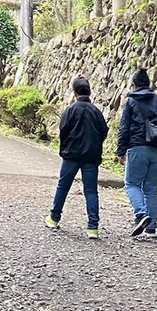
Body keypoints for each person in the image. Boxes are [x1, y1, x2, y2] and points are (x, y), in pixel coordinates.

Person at [116, 68, 157, 240]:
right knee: (151, 188)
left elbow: (124, 128)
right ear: (149, 83)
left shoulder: (131, 101)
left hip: (138, 147)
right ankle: (151, 228)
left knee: (132, 183)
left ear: (134, 84)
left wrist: (121, 151)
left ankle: (141, 214)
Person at [45, 76, 109, 239]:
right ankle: (93, 227)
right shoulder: (96, 111)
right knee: (91, 191)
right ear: (89, 91)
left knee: (63, 186)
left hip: (71, 155)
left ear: (74, 92)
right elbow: (104, 131)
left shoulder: (71, 110)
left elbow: (63, 131)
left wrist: (65, 149)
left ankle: (54, 218)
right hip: (91, 156)